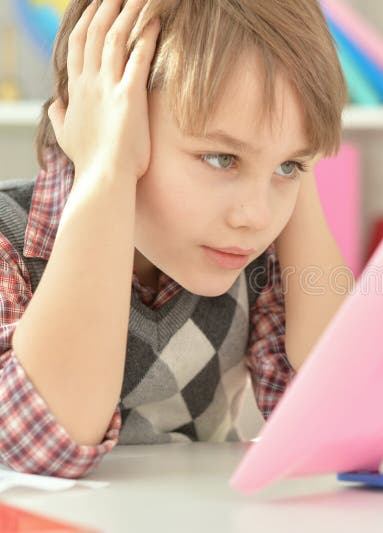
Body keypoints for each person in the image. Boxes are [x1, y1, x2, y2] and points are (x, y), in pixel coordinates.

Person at [0, 0, 350, 478]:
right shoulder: (9, 235)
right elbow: (45, 443)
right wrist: (106, 170)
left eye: (288, 168)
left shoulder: (251, 255)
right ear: (102, 115)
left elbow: (342, 414)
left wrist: (289, 143)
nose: (256, 215)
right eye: (221, 158)